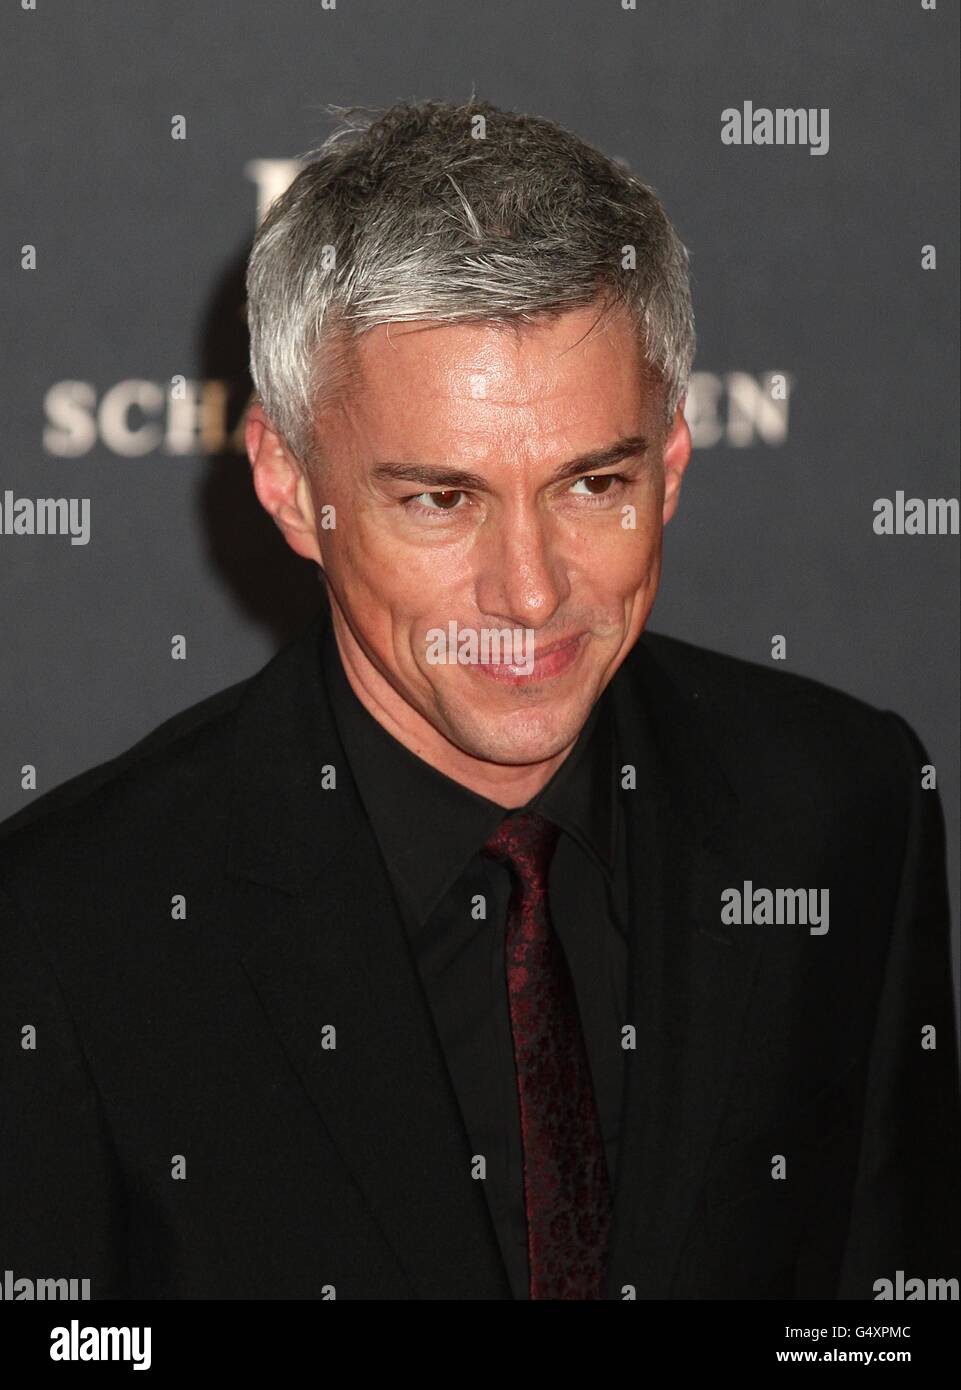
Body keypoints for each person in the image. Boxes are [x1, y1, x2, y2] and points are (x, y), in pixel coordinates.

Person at [1, 98, 957, 1301]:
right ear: (291, 488)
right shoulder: (70, 928)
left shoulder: (841, 806)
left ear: (668, 466)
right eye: (439, 499)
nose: (528, 591)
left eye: (590, 483)